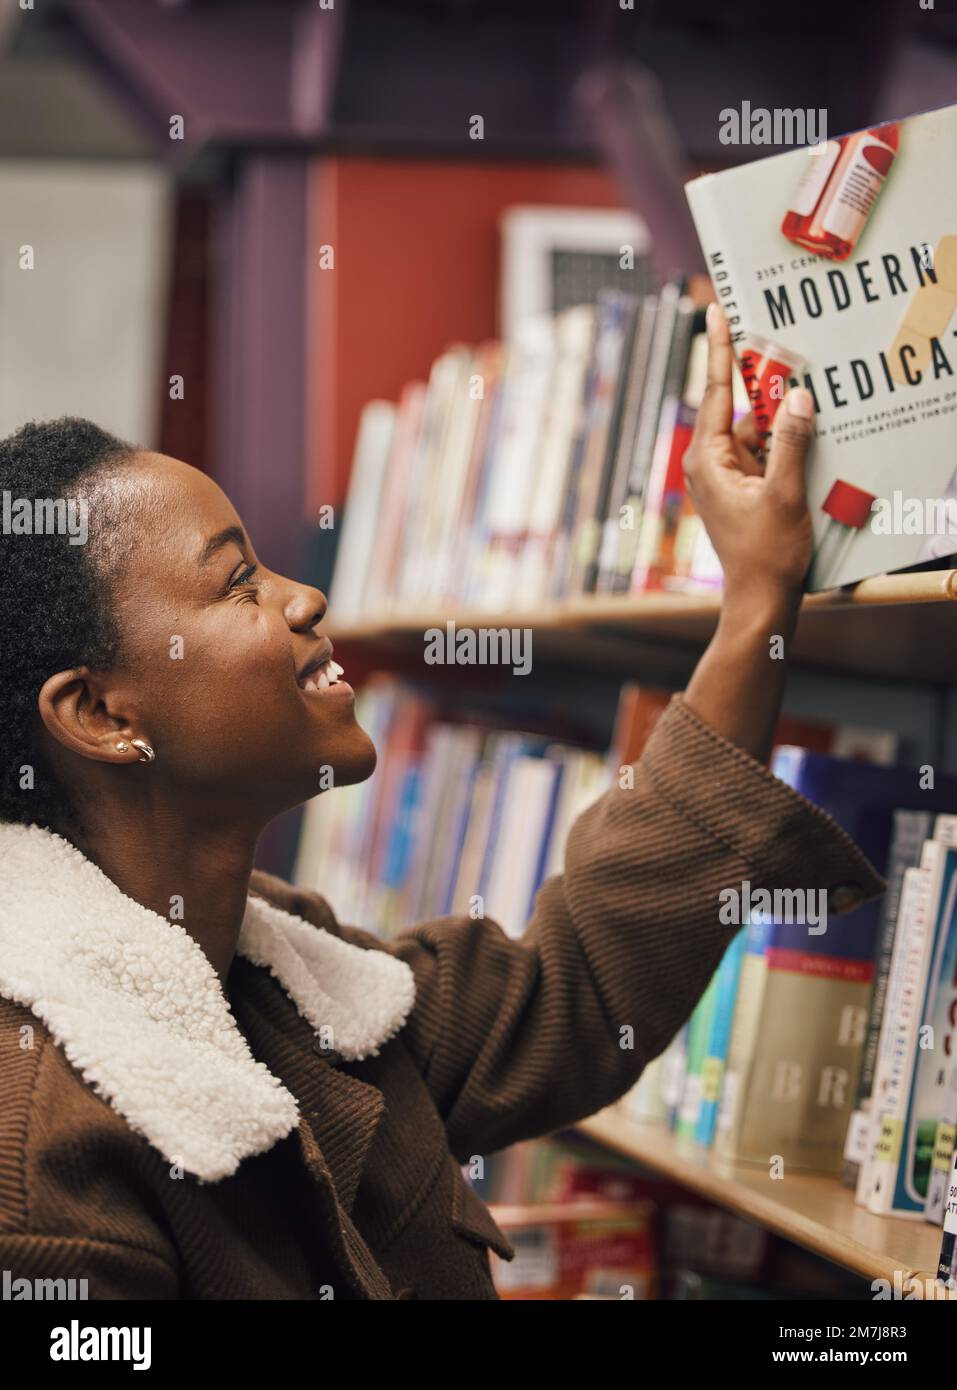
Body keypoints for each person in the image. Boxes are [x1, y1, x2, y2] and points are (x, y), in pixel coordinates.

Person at [0, 305, 882, 1299]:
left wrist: (759, 594)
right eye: (238, 581)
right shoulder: (39, 1165)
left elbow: (573, 990)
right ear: (100, 714)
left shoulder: (283, 972)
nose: (305, 599)